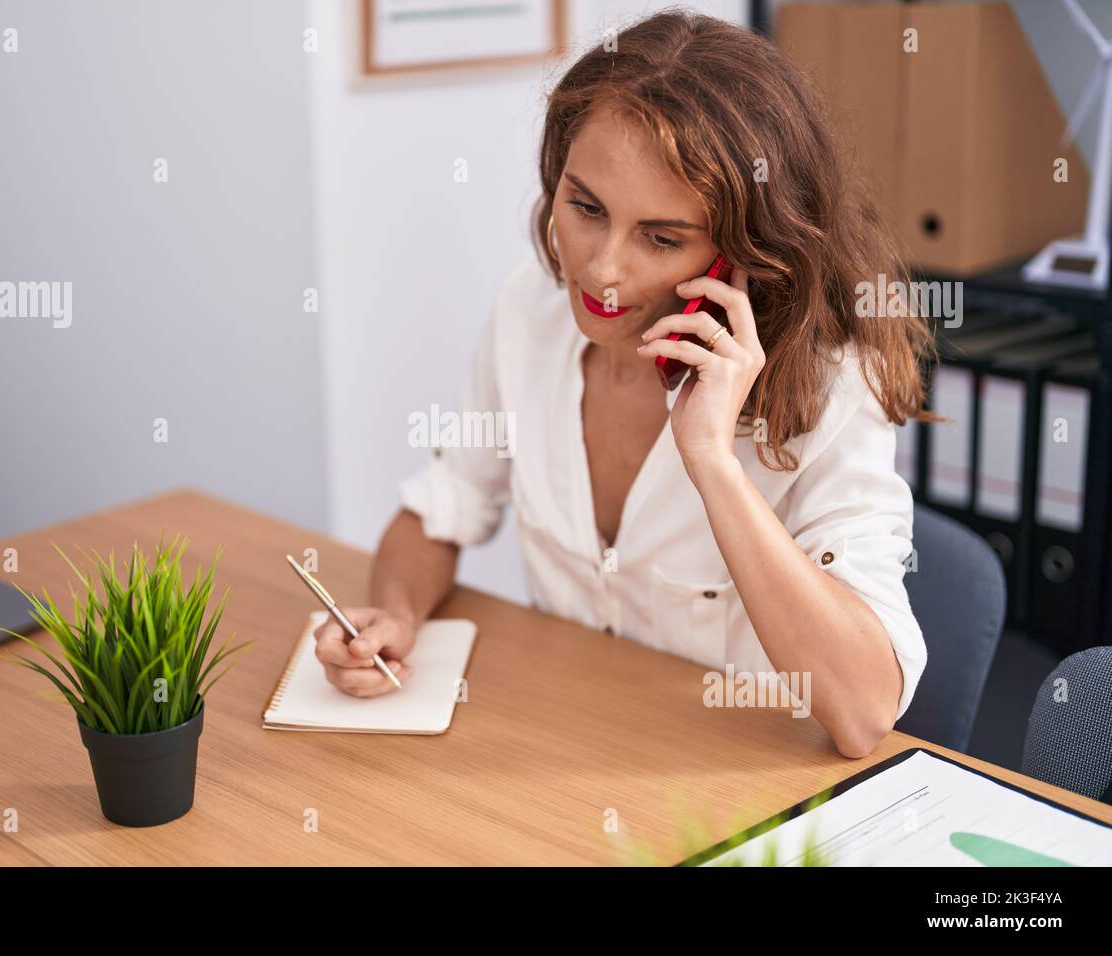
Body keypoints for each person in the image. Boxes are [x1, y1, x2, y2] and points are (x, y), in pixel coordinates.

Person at [315, 9, 937, 759]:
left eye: (662, 237)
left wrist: (711, 461)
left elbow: (865, 710)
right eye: (586, 208)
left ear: (744, 249)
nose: (602, 270)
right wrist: (393, 615)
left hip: (736, 786)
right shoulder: (529, 310)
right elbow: (446, 505)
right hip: (568, 750)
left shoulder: (835, 381)